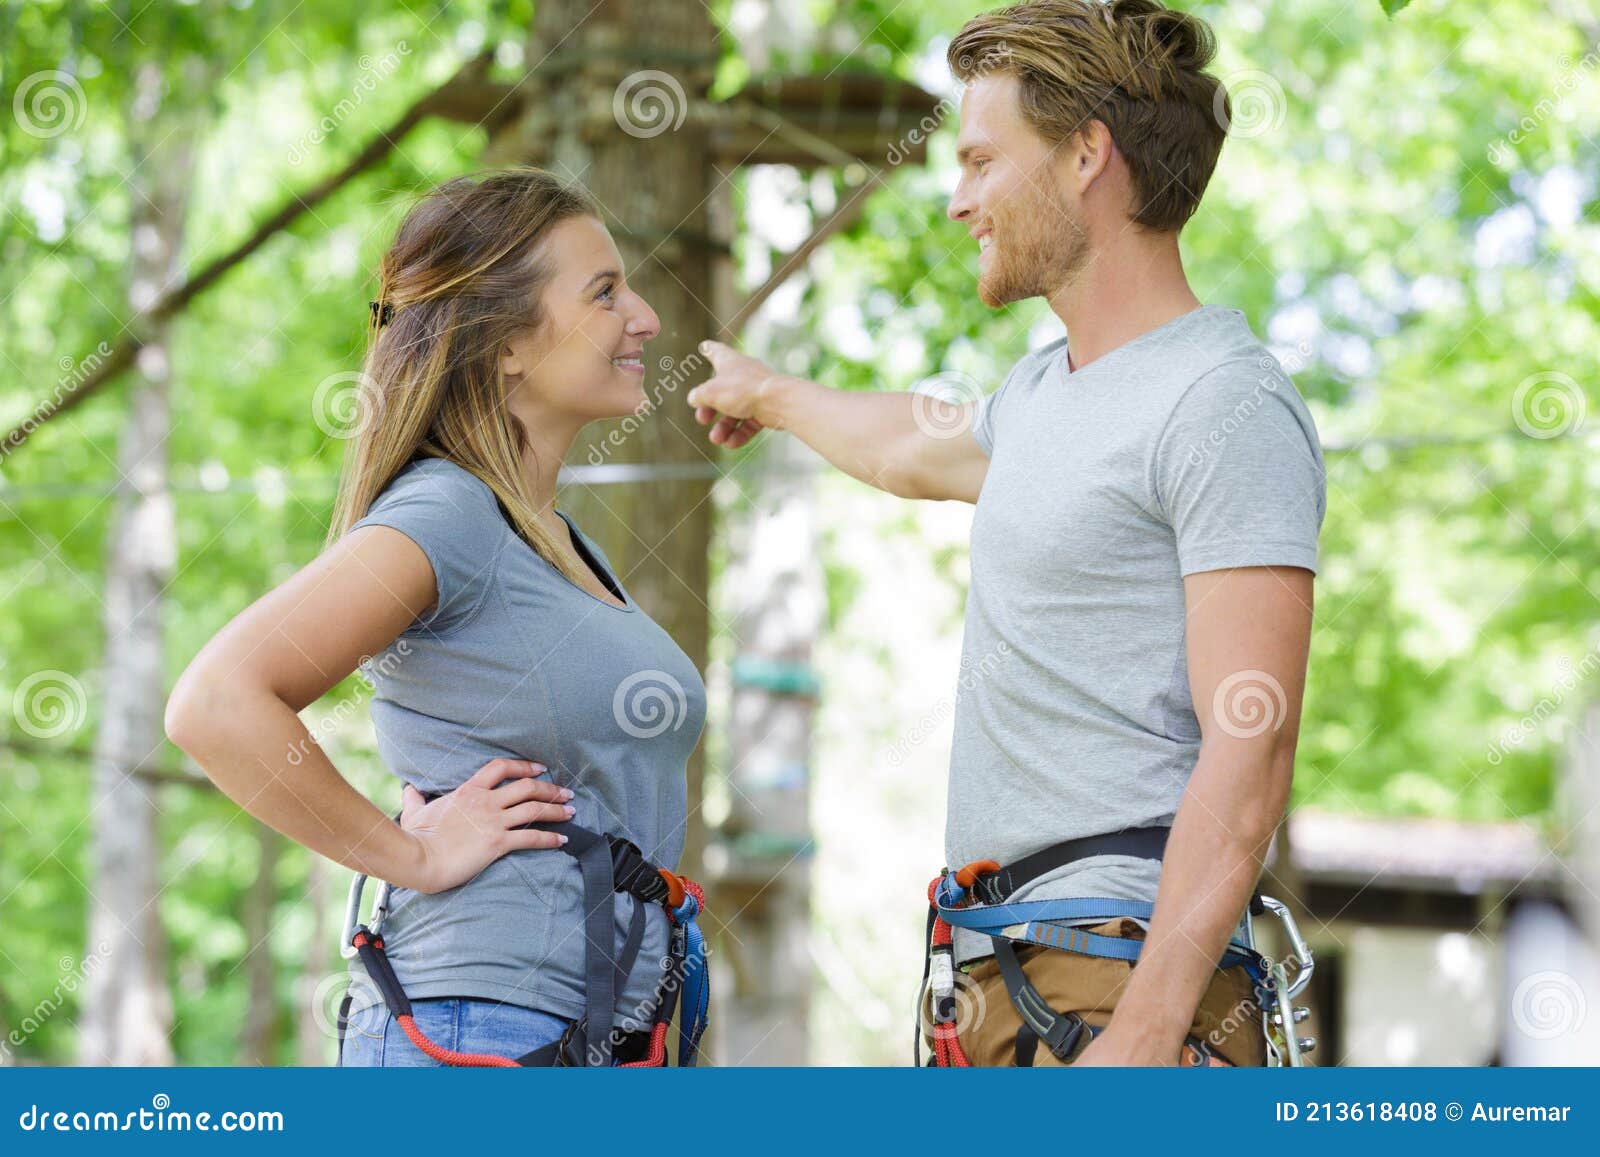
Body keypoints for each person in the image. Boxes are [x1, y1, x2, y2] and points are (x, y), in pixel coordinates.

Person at [686, 0, 1324, 1066]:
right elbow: (914, 447)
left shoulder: (1220, 401)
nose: (957, 200)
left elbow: (1251, 741)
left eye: (981, 161)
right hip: (1001, 966)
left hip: (1116, 966)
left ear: (1086, 155)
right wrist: (774, 394)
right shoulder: (1046, 393)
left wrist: (1151, 1024)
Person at [166, 168, 707, 1066]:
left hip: (594, 1028)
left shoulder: (556, 538)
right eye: (605, 292)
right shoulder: (449, 513)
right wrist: (405, 855)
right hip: (483, 1025)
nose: (644, 317)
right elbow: (216, 702)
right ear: (505, 346)